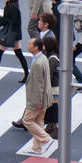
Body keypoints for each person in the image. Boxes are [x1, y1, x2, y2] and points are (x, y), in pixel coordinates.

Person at [19, 23, 56, 155]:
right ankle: (37, 148)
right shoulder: (42, 58)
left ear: (36, 48)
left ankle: (46, 139)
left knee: (27, 120)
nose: (28, 46)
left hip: (37, 98)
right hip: (45, 96)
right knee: (38, 121)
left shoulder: (38, 62)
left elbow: (39, 84)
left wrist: (38, 101)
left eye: (30, 44)